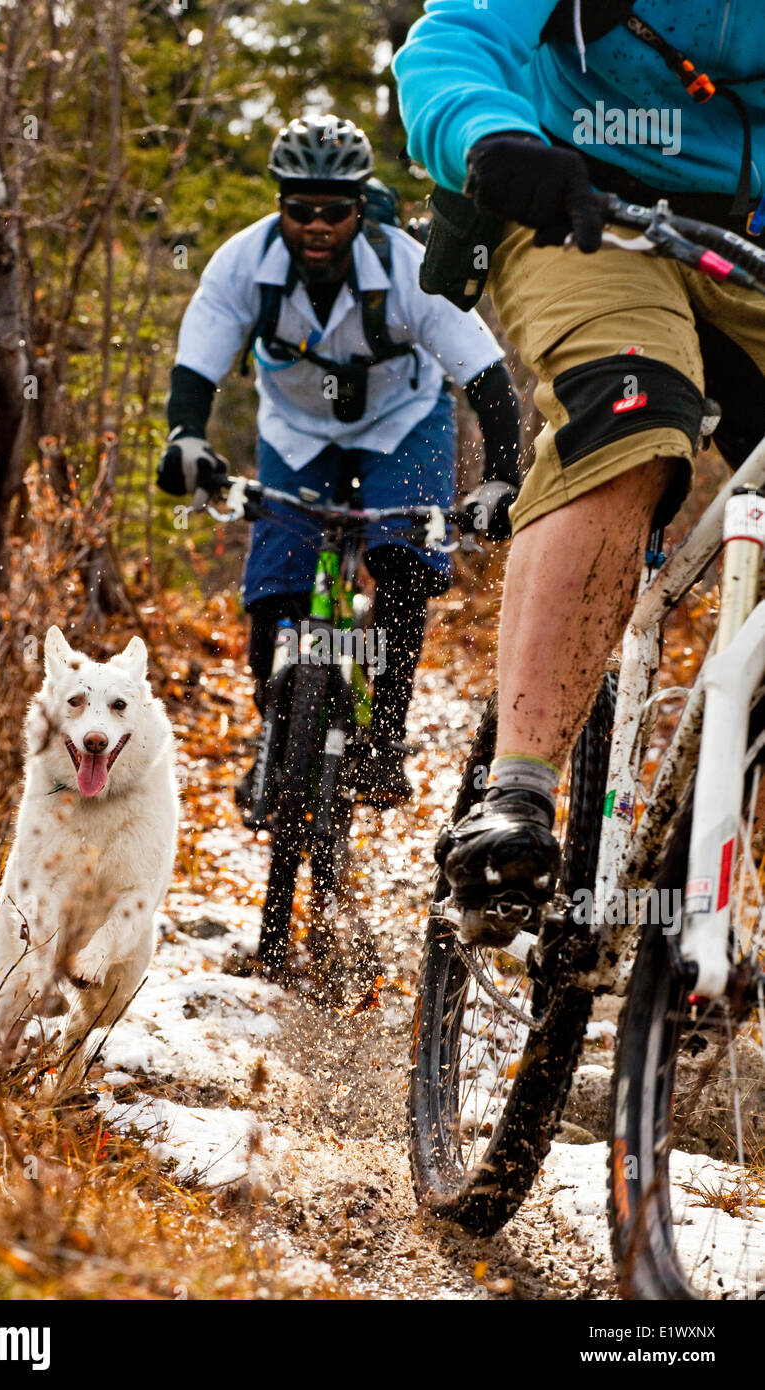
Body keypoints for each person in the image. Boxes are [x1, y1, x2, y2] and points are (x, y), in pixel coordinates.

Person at [392, 1, 765, 940]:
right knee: (635, 410)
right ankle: (516, 792)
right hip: (579, 208)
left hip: (748, 240)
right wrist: (492, 135)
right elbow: (458, 42)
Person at [159, 114, 522, 808]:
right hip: (296, 433)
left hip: (403, 424)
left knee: (402, 559)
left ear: (361, 209)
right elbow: (197, 364)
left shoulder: (406, 267)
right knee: (277, 587)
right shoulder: (242, 264)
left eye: (335, 211)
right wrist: (187, 438)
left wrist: (501, 476)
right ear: (279, 207)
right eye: (300, 210)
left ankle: (383, 737)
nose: (317, 225)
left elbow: (486, 374)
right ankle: (277, 741)